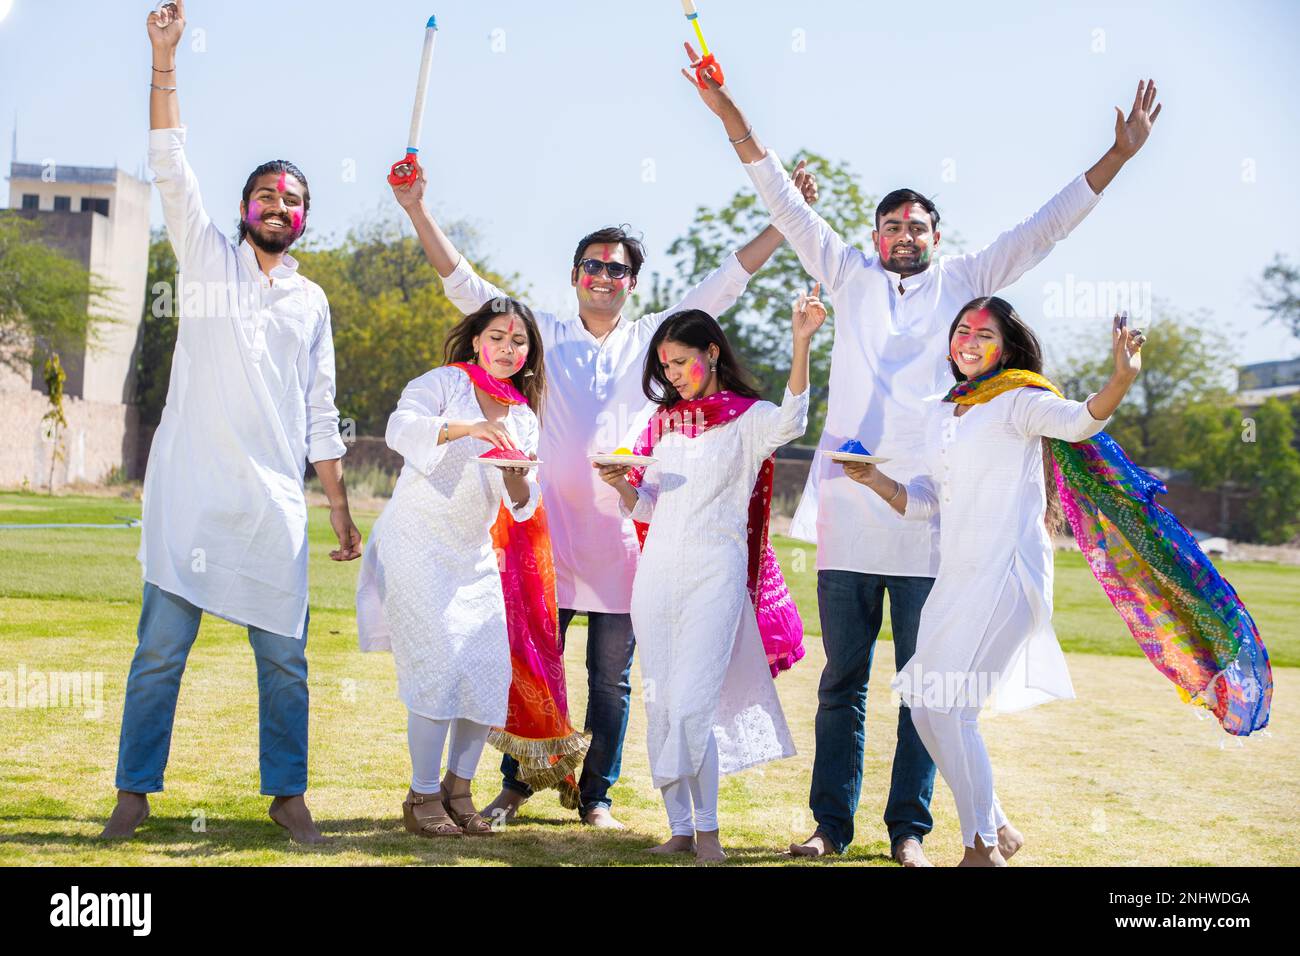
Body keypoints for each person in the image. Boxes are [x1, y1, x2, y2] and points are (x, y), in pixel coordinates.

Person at [680, 41, 1163, 863]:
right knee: (841, 684)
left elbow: (1045, 228)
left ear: (939, 236)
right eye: (892, 224)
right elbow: (774, 191)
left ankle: (911, 830)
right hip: (846, 511)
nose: (905, 234)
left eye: (918, 225)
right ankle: (830, 827)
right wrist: (728, 110)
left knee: (927, 686)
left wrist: (1115, 156)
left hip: (931, 522)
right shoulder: (845, 273)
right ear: (874, 234)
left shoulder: (968, 285)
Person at [390, 165, 817, 829]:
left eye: (616, 269)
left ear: (631, 283)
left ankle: (597, 798)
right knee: (531, 665)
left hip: (625, 539)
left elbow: (728, 281)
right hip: (545, 538)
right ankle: (517, 786)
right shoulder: (543, 335)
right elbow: (464, 284)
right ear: (574, 275)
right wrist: (418, 210)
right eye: (592, 265)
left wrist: (784, 218)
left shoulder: (653, 336)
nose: (603, 276)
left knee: (611, 682)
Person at [102, 0, 361, 844]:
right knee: (158, 659)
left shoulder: (313, 299)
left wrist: (343, 508)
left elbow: (322, 412)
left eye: (292, 199)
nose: (277, 205)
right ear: (246, 207)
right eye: (264, 194)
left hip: (272, 513)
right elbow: (170, 162)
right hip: (190, 503)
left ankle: (288, 796)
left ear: (305, 218)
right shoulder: (207, 258)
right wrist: (165, 57)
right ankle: (133, 795)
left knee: (285, 665)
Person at [844, 299, 1142, 864]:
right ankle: (999, 825)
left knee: (954, 709)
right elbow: (927, 502)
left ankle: (981, 849)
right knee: (928, 705)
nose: (970, 340)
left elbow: (1080, 421)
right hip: (956, 580)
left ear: (1005, 346)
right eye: (962, 330)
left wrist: (1120, 379)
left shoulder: (1021, 400)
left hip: (1009, 575)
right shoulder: (942, 410)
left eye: (984, 333)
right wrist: (874, 479)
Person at [595, 290, 824, 861]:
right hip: (656, 576)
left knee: (695, 701)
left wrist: (801, 341)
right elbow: (645, 507)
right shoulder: (663, 423)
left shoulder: (748, 420)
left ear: (713, 353)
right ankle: (683, 829)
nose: (673, 376)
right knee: (664, 701)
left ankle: (710, 833)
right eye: (665, 367)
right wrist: (618, 481)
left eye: (681, 362)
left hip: (716, 574)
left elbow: (794, 419)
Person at [356, 298, 547, 837]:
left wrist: (515, 475)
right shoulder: (443, 383)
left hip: (472, 553)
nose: (507, 349)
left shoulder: (524, 417)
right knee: (438, 670)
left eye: (519, 342)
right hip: (416, 542)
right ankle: (420, 797)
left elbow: (523, 502)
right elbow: (401, 428)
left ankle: (458, 790)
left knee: (485, 672)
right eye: (498, 337)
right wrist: (467, 429)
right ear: (476, 340)